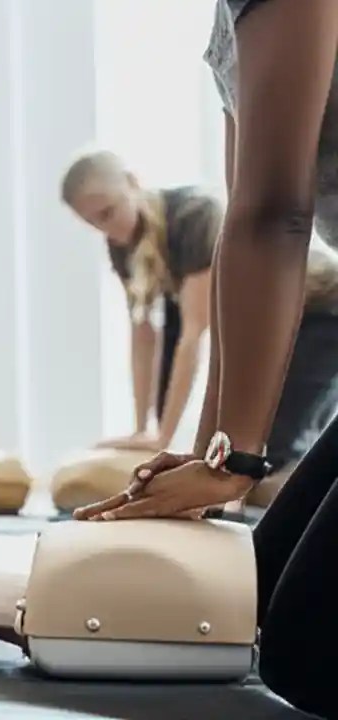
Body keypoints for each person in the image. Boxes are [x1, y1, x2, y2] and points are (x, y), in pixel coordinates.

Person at [75, 1, 338, 716]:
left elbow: (278, 216)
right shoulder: (231, 29)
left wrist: (239, 462)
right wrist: (205, 456)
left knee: (311, 649)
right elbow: (246, 227)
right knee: (257, 588)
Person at [63, 150, 338, 482]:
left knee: (273, 454)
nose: (105, 228)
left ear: (132, 183)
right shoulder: (123, 244)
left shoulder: (195, 214)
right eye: (92, 222)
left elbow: (196, 332)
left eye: (108, 212)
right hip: (267, 324)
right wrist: (141, 431)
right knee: (261, 456)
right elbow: (143, 335)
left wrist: (163, 439)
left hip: (320, 311)